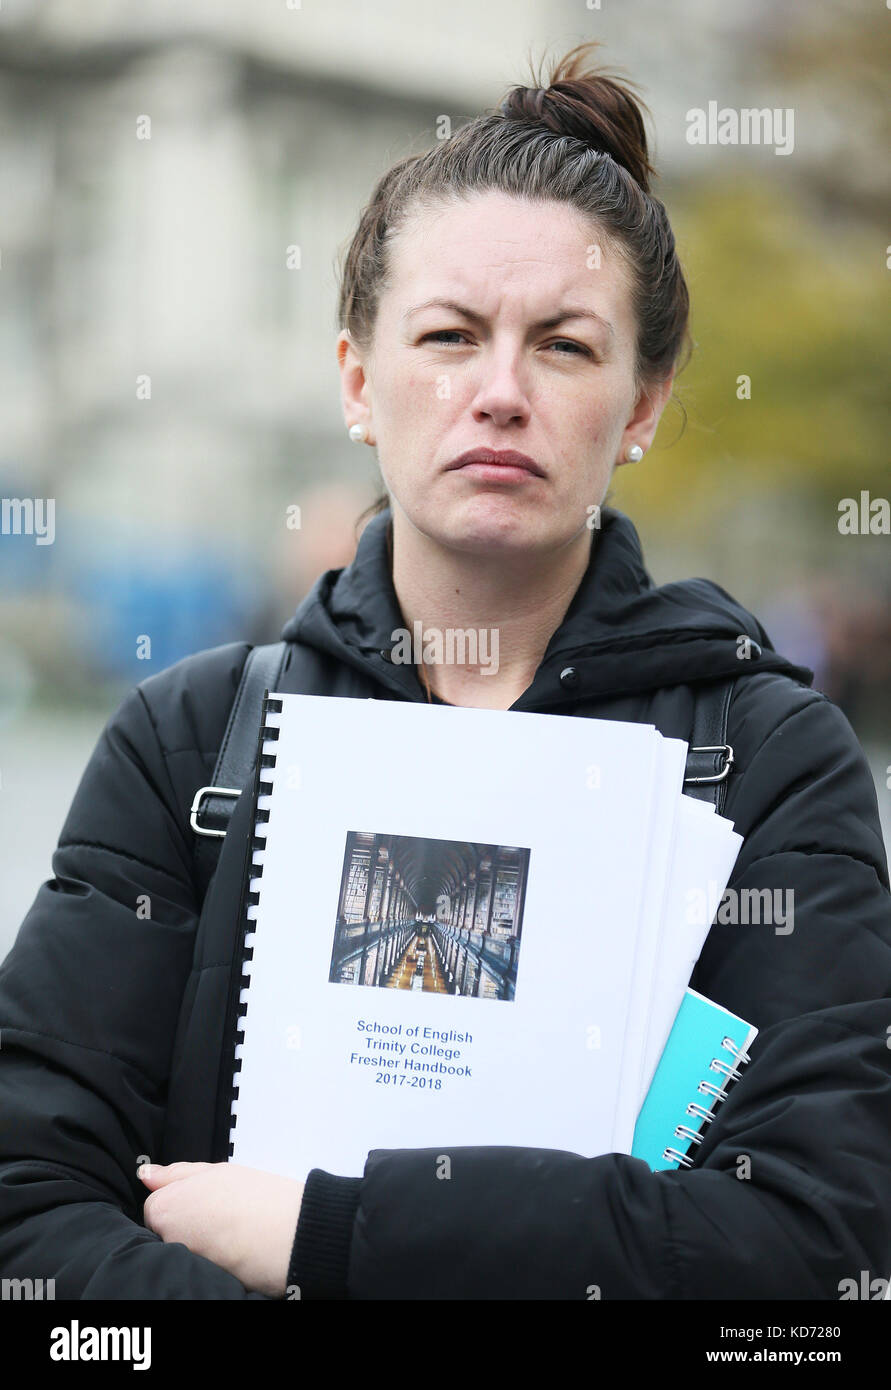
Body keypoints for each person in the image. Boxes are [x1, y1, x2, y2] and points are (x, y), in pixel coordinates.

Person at [1, 42, 889, 1302]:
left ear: (642, 406)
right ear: (361, 379)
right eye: (450, 334)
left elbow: (813, 1247)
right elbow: (28, 1206)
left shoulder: (771, 768)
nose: (500, 393)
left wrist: (333, 1237)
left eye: (568, 347)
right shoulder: (187, 743)